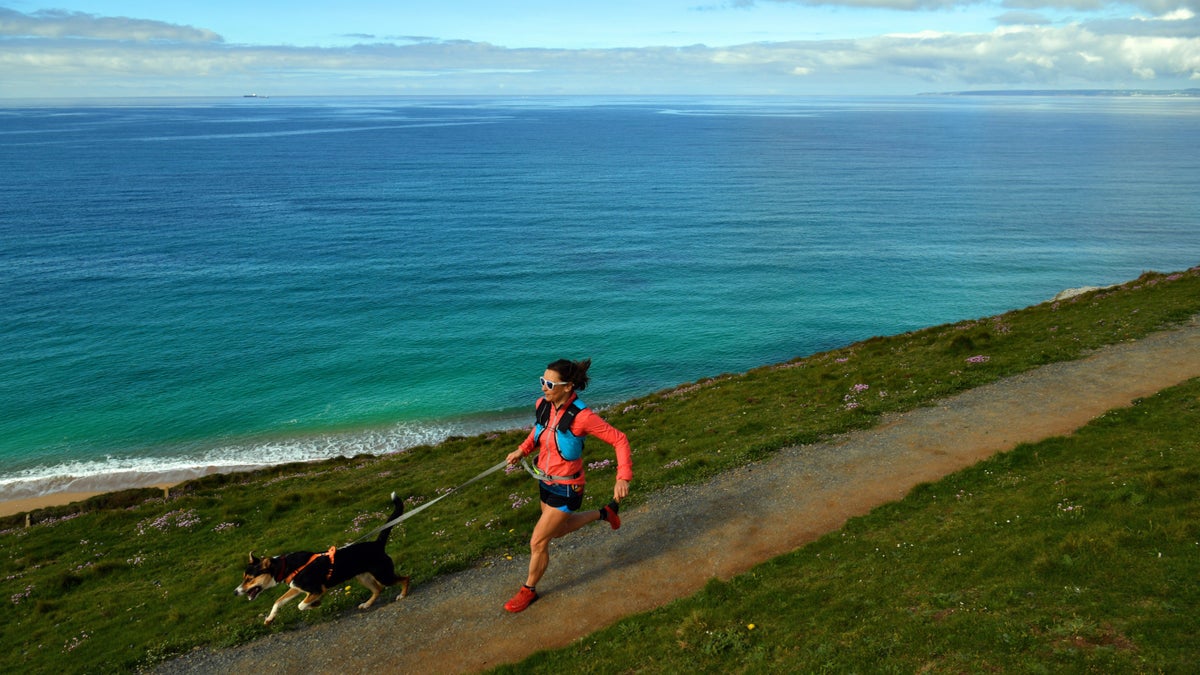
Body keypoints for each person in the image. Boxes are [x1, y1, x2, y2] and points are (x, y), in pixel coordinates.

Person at [502, 357, 633, 613]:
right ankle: (605, 513)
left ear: (567, 386)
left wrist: (622, 477)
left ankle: (528, 590)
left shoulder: (583, 417)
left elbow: (620, 439)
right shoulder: (543, 405)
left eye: (549, 383)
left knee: (538, 541)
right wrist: (522, 449)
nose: (543, 387)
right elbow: (538, 432)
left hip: (568, 487)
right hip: (545, 482)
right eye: (542, 381)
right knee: (557, 532)